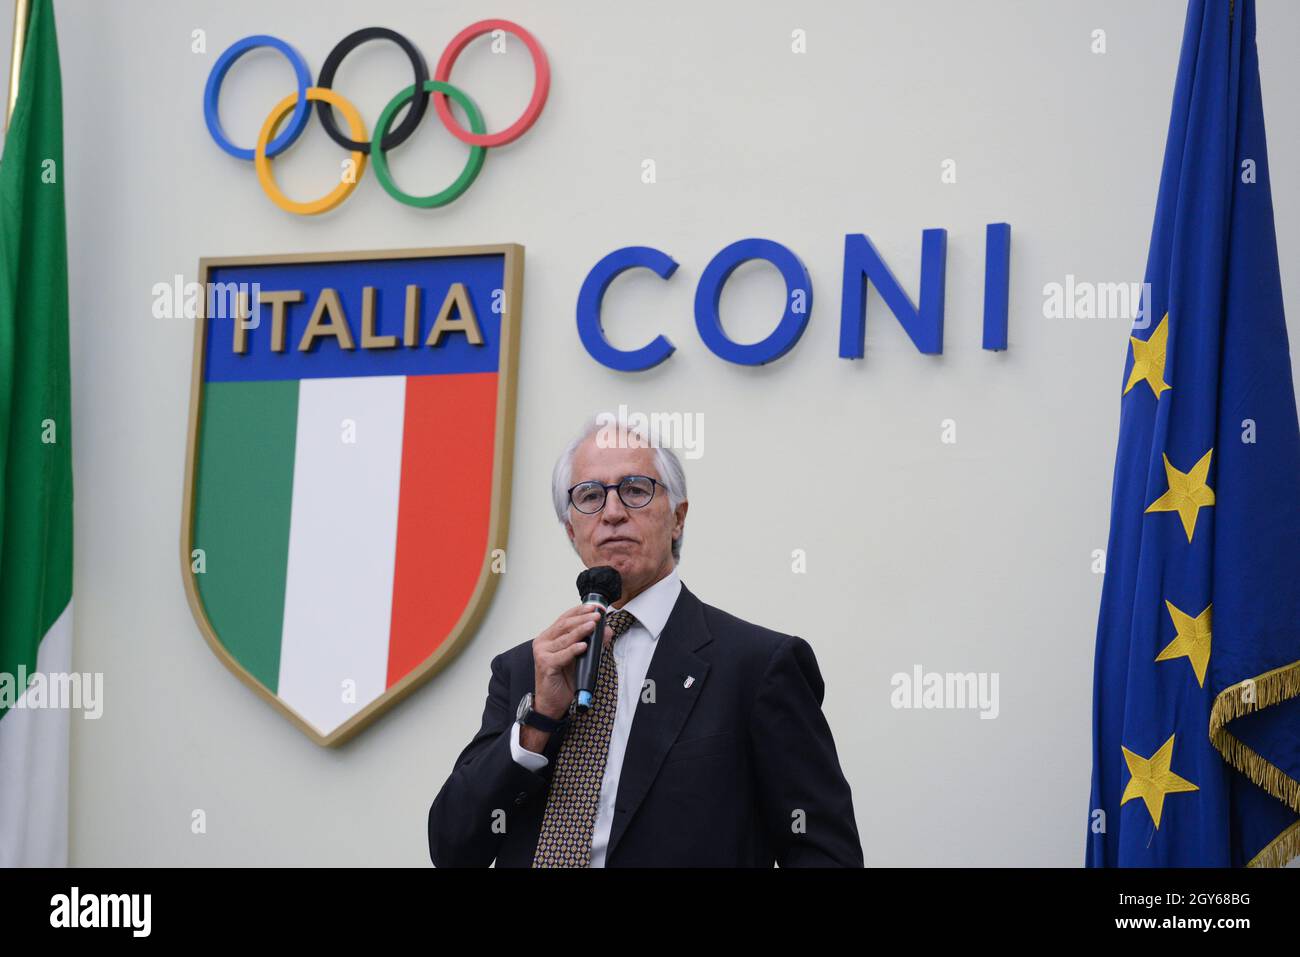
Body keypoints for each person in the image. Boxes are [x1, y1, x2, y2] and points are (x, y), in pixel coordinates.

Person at [427, 413, 863, 866]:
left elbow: (823, 850)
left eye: (635, 490)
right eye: (591, 496)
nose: (613, 512)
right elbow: (454, 848)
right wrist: (537, 721)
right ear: (572, 530)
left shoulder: (757, 666)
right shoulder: (524, 670)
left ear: (678, 517)